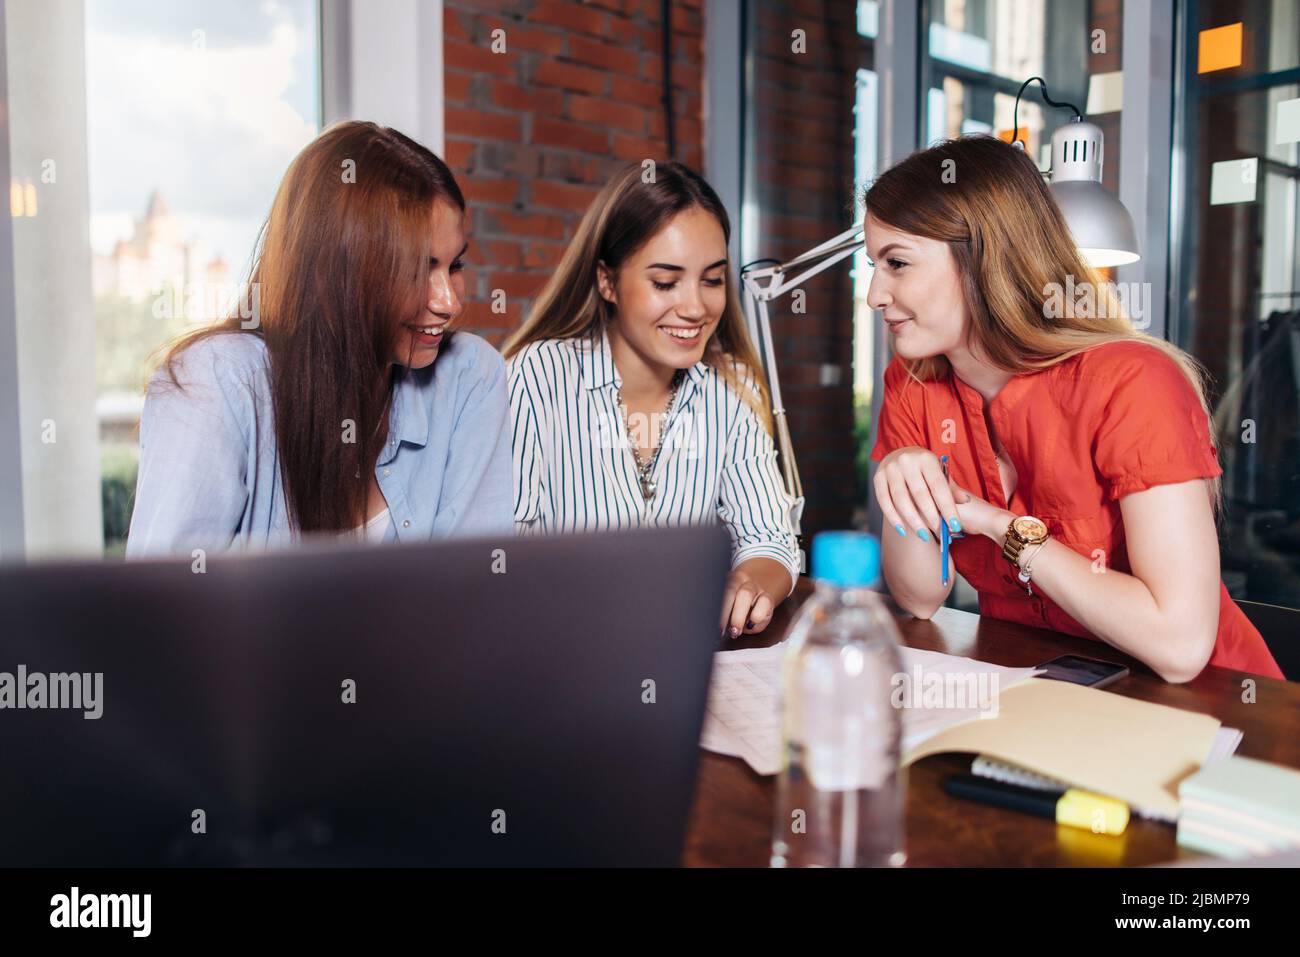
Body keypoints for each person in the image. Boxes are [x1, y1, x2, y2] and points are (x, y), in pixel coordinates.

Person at [866, 135, 1282, 681]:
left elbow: (1180, 647)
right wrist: (904, 486)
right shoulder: (912, 381)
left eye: (896, 263)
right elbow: (920, 598)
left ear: (981, 261)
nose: (874, 294)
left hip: (1213, 709)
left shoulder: (1132, 383)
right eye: (874, 264)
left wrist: (1000, 526)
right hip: (1046, 692)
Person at [127, 121, 512, 557]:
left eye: (454, 266)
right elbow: (163, 612)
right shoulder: (216, 384)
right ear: (335, 272)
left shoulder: (469, 376)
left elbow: (476, 589)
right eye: (415, 269)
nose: (449, 303)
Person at [503, 161, 800, 638]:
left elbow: (771, 538)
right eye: (665, 282)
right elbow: (503, 554)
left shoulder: (732, 387)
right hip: (560, 658)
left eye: (712, 279)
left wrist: (749, 582)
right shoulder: (539, 376)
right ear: (607, 281)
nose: (695, 307)